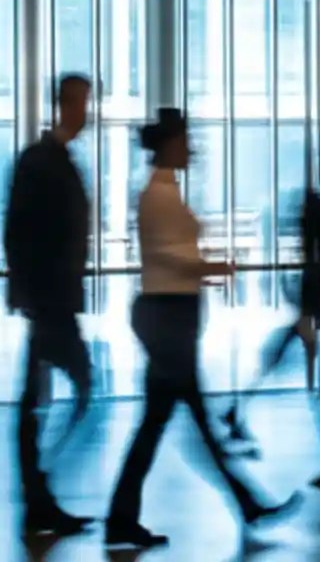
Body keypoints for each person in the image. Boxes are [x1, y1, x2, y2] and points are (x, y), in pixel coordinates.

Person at [105, 108, 299, 548]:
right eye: (186, 140)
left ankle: (128, 518)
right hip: (169, 319)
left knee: (164, 424)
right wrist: (213, 265)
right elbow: (172, 256)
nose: (192, 148)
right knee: (178, 423)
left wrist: (206, 266)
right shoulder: (159, 196)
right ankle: (247, 504)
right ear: (169, 144)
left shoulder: (163, 192)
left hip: (171, 319)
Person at [4, 74, 95, 537]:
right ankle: (38, 491)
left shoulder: (56, 160)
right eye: (81, 103)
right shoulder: (41, 160)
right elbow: (19, 232)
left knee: (43, 395)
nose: (86, 113)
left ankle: (39, 494)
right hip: (50, 301)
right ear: (63, 105)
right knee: (67, 388)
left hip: (54, 301)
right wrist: (29, 296)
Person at [223, 138, 320, 445]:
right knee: (300, 343)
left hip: (312, 282)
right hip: (313, 283)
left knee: (301, 344)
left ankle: (248, 404)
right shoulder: (315, 199)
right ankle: (311, 401)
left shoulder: (312, 197)